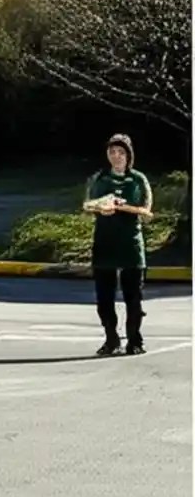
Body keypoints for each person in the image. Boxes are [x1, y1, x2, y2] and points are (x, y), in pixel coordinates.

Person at [82, 133, 153, 356]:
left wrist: (122, 207)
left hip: (131, 244)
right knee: (104, 298)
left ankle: (134, 340)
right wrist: (100, 208)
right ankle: (111, 338)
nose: (116, 156)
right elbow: (87, 206)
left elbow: (147, 211)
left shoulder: (138, 179)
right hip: (105, 243)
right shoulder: (99, 178)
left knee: (134, 297)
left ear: (128, 155)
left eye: (121, 152)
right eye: (112, 152)